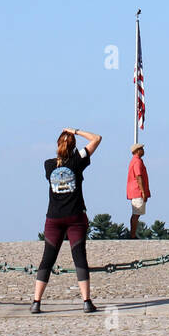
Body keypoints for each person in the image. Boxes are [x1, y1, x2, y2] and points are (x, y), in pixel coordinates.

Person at [32, 126, 102, 314]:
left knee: (47, 259)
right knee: (79, 257)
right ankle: (86, 301)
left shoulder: (48, 164)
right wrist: (76, 131)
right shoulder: (77, 161)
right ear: (73, 146)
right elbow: (96, 138)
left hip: (53, 218)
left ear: (57, 145)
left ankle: (36, 302)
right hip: (75, 217)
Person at [126, 142, 150, 239]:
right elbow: (138, 176)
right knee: (136, 213)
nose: (143, 150)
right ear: (137, 151)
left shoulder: (136, 161)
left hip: (135, 190)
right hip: (137, 191)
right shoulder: (137, 162)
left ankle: (133, 234)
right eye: (141, 149)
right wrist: (143, 191)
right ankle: (132, 235)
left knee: (136, 213)